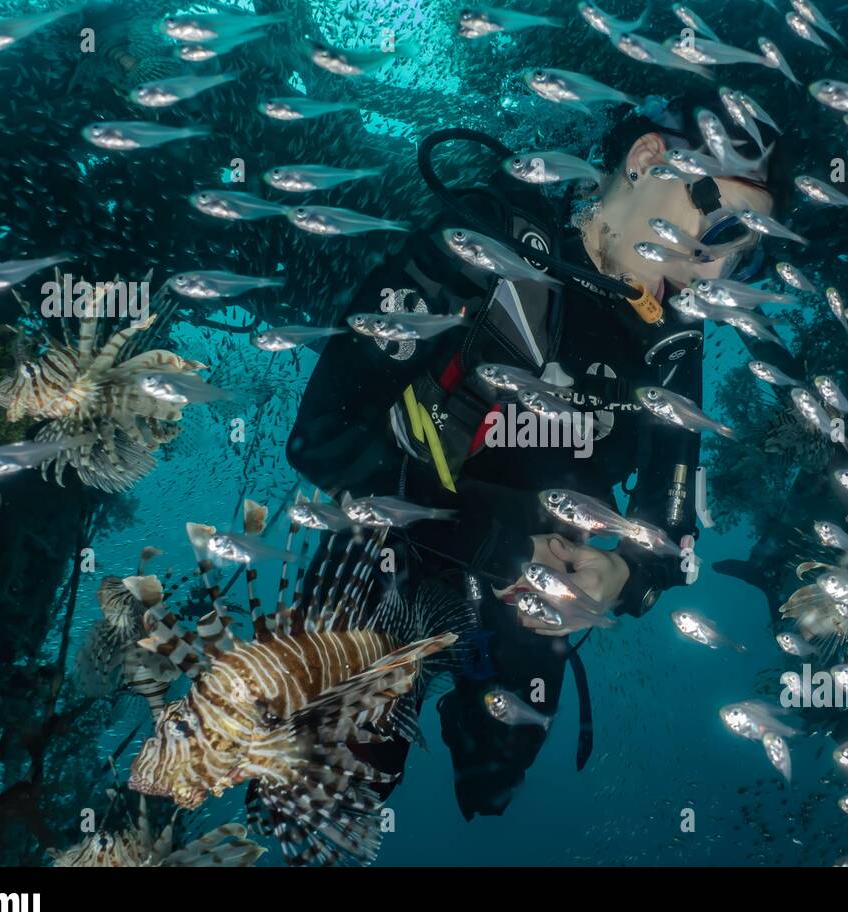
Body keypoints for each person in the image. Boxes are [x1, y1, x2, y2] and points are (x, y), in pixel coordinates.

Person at [287, 93, 776, 819]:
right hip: (387, 547)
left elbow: (670, 536)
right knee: (331, 779)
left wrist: (622, 578)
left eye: (748, 254)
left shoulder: (676, 334)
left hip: (536, 586)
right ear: (648, 159)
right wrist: (492, 535)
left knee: (494, 779)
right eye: (723, 227)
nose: (714, 276)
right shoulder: (486, 244)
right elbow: (322, 436)